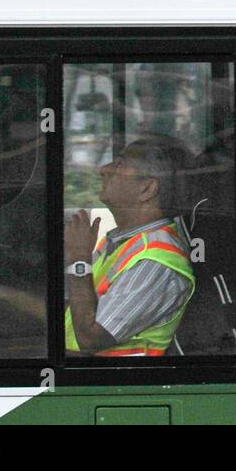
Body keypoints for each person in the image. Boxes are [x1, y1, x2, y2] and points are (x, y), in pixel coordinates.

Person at [64, 137, 196, 356]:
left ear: (147, 189)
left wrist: (78, 260)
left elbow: (90, 339)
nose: (103, 170)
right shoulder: (120, 243)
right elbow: (74, 316)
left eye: (119, 165)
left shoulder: (155, 260)